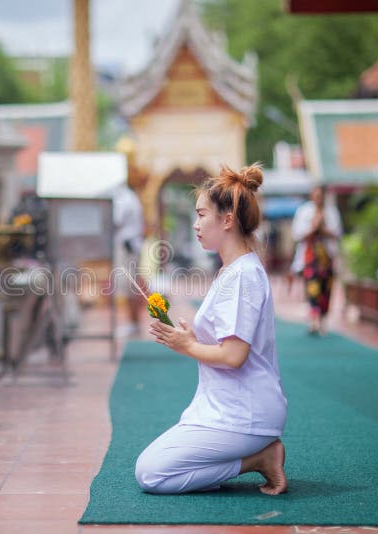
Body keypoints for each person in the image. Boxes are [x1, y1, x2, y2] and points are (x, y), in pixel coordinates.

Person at [137, 164, 288, 495]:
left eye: (202, 214)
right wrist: (192, 338)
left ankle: (258, 459)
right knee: (153, 468)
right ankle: (256, 455)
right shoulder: (234, 271)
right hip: (224, 407)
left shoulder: (242, 276)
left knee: (151, 474)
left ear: (227, 220)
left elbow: (233, 356)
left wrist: (185, 346)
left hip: (244, 413)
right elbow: (226, 343)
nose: (196, 224)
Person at [290, 185, 342, 334]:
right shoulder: (304, 211)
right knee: (312, 288)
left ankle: (323, 320)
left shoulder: (331, 211)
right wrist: (313, 228)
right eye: (316, 196)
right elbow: (297, 234)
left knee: (326, 289)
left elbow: (337, 233)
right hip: (309, 258)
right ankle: (314, 320)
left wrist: (323, 228)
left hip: (327, 258)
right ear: (312, 196)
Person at [113, 182, 145, 337]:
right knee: (130, 287)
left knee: (129, 287)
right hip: (131, 246)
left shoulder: (124, 199)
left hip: (128, 247)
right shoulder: (129, 197)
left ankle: (133, 323)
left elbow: (115, 220)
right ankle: (133, 323)